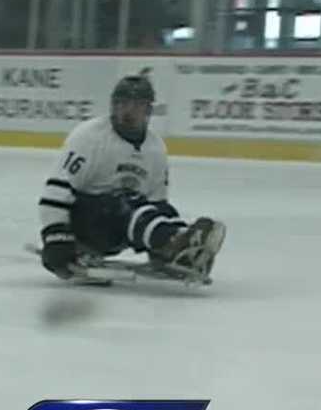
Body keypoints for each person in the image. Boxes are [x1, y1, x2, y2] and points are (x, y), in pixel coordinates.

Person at [36, 74, 226, 282]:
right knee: (125, 202)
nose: (128, 111)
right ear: (112, 106)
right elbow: (55, 192)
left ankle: (182, 246)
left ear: (148, 111)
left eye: (137, 105)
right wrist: (55, 237)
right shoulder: (89, 137)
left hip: (118, 227)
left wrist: (156, 250)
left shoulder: (155, 147)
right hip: (83, 225)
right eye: (122, 104)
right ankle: (173, 240)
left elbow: (157, 203)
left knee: (160, 210)